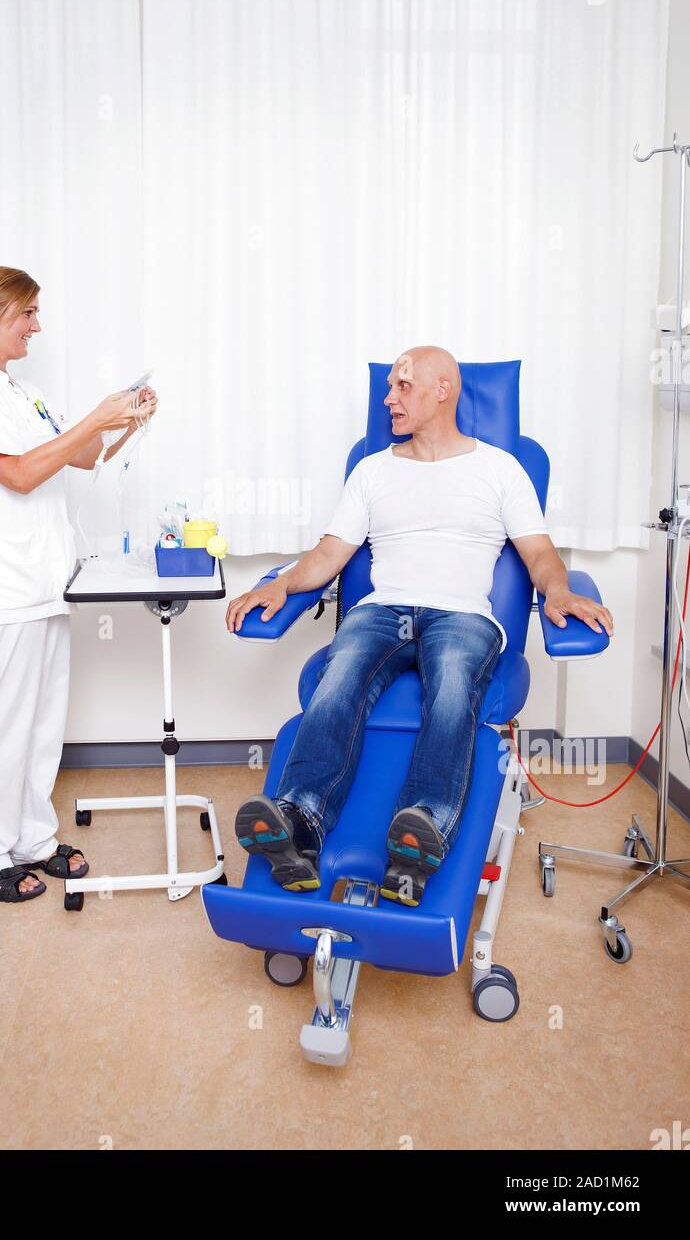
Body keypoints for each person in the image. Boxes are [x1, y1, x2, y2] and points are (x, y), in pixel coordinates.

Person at [227, 346, 613, 906]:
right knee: (341, 673)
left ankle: (420, 833)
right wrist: (280, 583)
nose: (389, 398)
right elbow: (330, 553)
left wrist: (557, 592)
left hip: (463, 616)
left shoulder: (500, 469)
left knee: (453, 683)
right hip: (382, 612)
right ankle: (299, 823)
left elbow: (539, 553)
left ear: (444, 389)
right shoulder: (372, 469)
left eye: (403, 386)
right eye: (388, 386)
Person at [0, 265, 157, 903]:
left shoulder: (18, 391)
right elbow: (22, 474)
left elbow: (80, 456)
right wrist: (94, 417)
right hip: (2, 586)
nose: (38, 326)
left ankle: (30, 840)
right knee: (2, 726)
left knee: (39, 723)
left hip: (46, 582)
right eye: (28, 313)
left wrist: (127, 419)